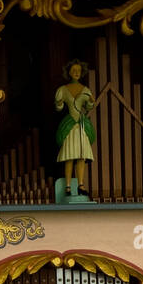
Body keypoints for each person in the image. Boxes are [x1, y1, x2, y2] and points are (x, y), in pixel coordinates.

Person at [54, 59, 95, 195]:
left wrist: (90, 102)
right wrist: (59, 103)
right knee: (69, 156)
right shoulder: (63, 89)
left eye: (78, 70)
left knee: (81, 156)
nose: (76, 73)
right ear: (69, 72)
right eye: (73, 70)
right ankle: (67, 186)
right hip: (70, 124)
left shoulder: (85, 90)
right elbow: (59, 107)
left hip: (81, 125)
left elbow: (89, 107)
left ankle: (81, 184)